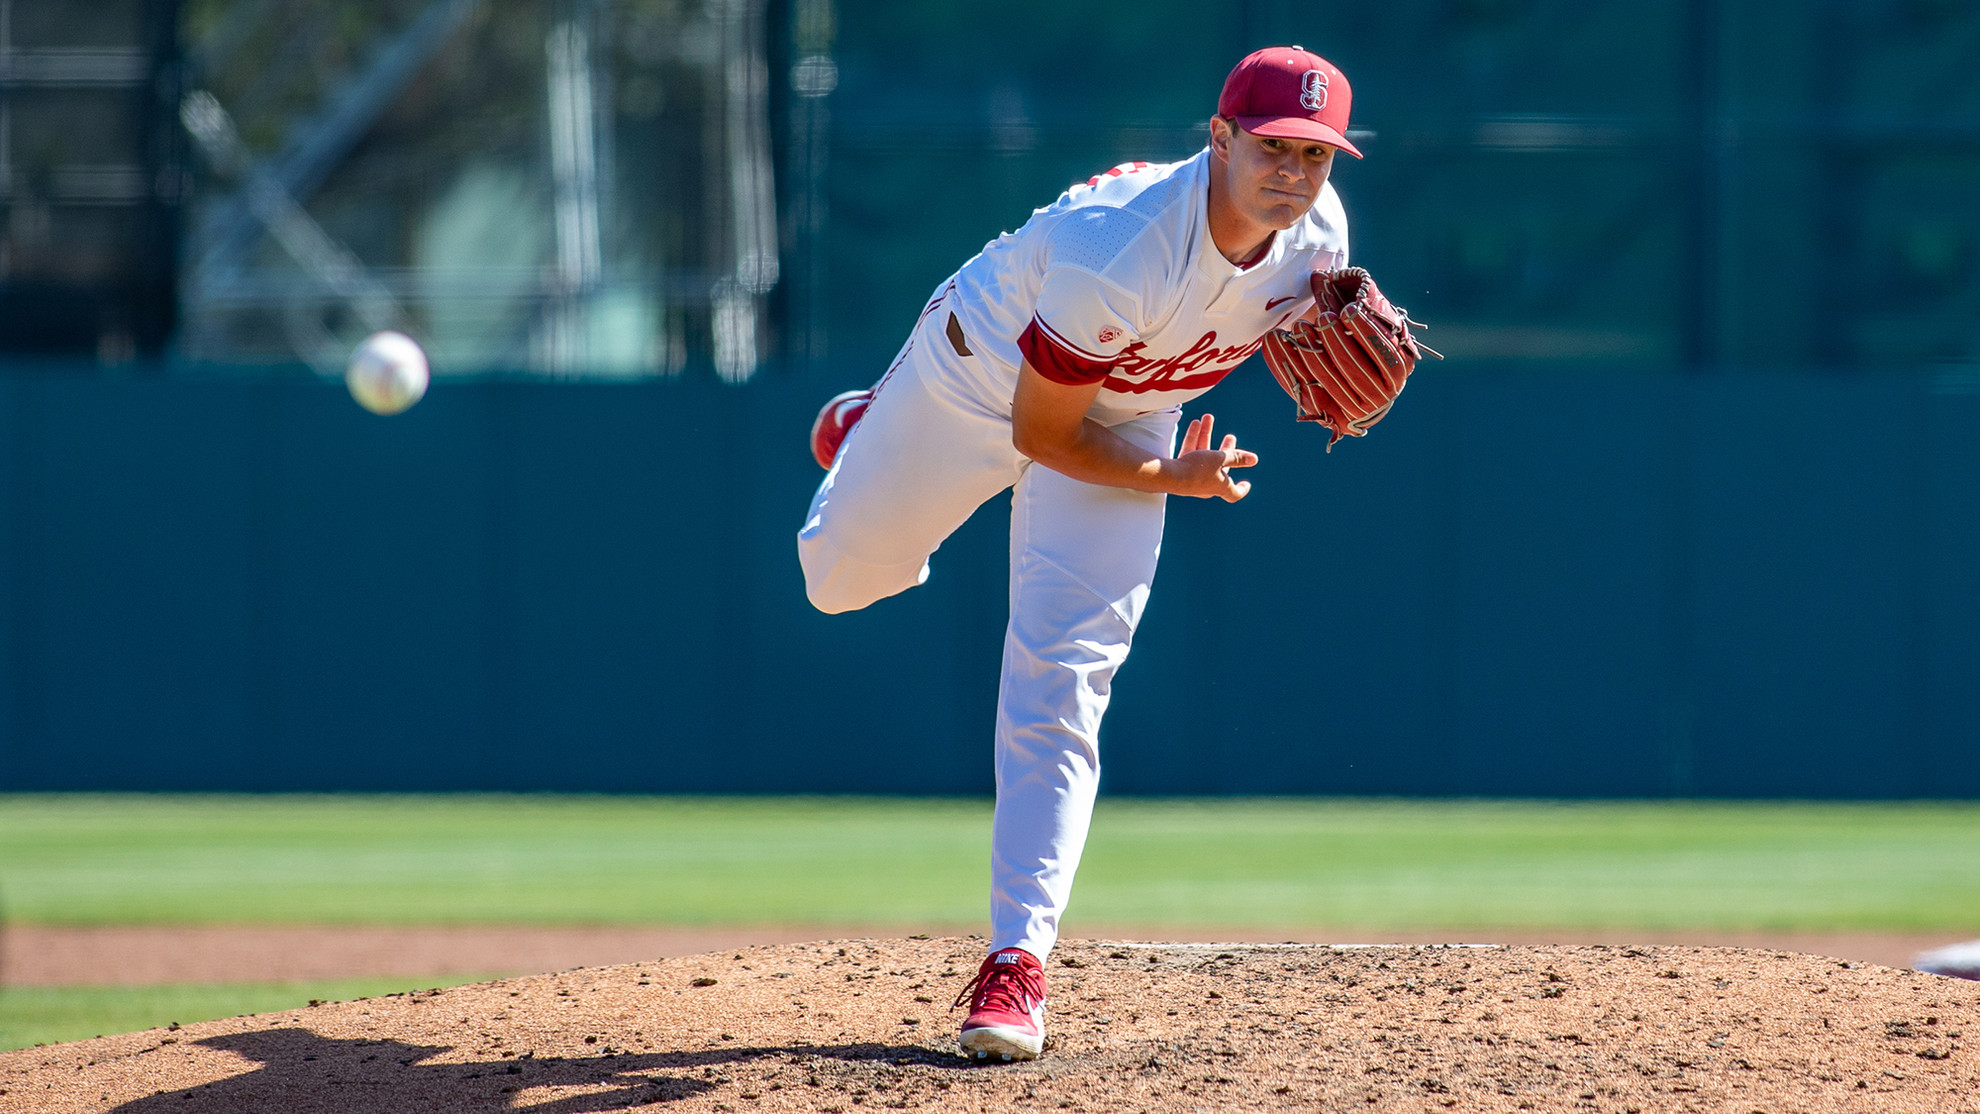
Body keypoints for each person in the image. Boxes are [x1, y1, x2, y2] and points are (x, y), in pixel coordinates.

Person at [798, 46, 1362, 1062]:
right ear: (1220, 138)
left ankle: (1016, 963)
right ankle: (873, 425)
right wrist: (1171, 480)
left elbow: (1271, 325)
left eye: (1316, 154)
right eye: (1274, 147)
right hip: (980, 378)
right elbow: (1043, 433)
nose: (1295, 173)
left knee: (1065, 677)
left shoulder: (1319, 238)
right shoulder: (1123, 246)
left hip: (1134, 408)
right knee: (840, 579)